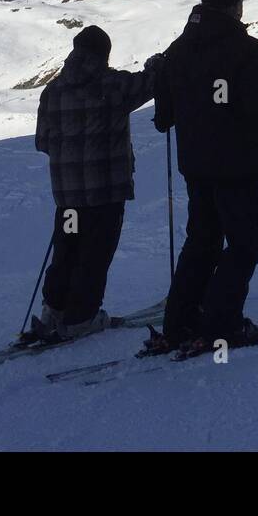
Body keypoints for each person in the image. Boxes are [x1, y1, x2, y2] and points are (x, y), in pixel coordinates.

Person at [153, 0, 258, 353]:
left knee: (201, 242)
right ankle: (221, 325)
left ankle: (180, 323)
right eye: (239, 2)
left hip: (195, 166)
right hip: (239, 166)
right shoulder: (253, 53)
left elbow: (164, 116)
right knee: (247, 244)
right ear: (234, 7)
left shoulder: (177, 52)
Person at [33, 25, 161, 341]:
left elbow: (42, 141)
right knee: (94, 256)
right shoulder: (113, 85)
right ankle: (81, 319)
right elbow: (152, 82)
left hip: (67, 197)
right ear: (104, 54)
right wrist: (156, 64)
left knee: (66, 251)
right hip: (105, 194)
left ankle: (54, 311)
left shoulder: (52, 91)